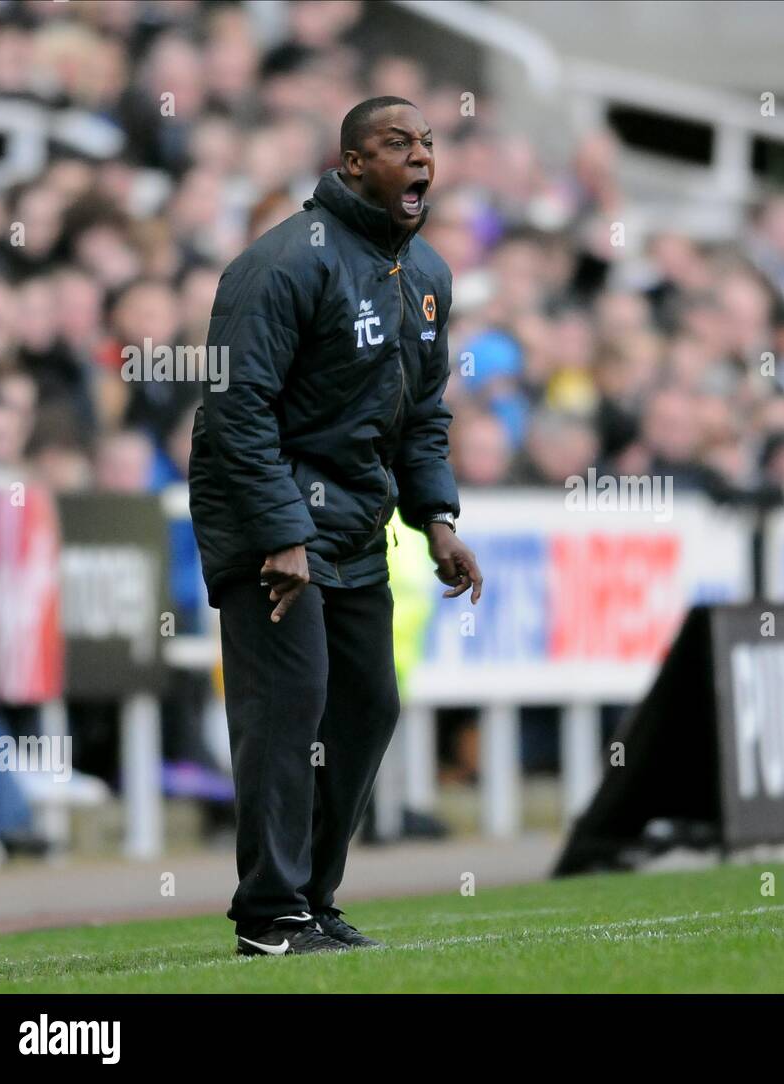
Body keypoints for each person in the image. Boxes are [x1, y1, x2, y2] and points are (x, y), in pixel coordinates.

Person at [188, 96, 483, 955]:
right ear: (352, 163)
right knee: (289, 706)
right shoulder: (279, 265)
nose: (421, 159)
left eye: (428, 144)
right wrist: (281, 534)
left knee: (367, 704)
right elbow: (235, 414)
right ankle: (269, 916)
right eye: (398, 145)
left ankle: (312, 899)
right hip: (264, 514)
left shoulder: (425, 274)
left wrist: (436, 516)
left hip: (355, 522)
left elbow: (422, 413)